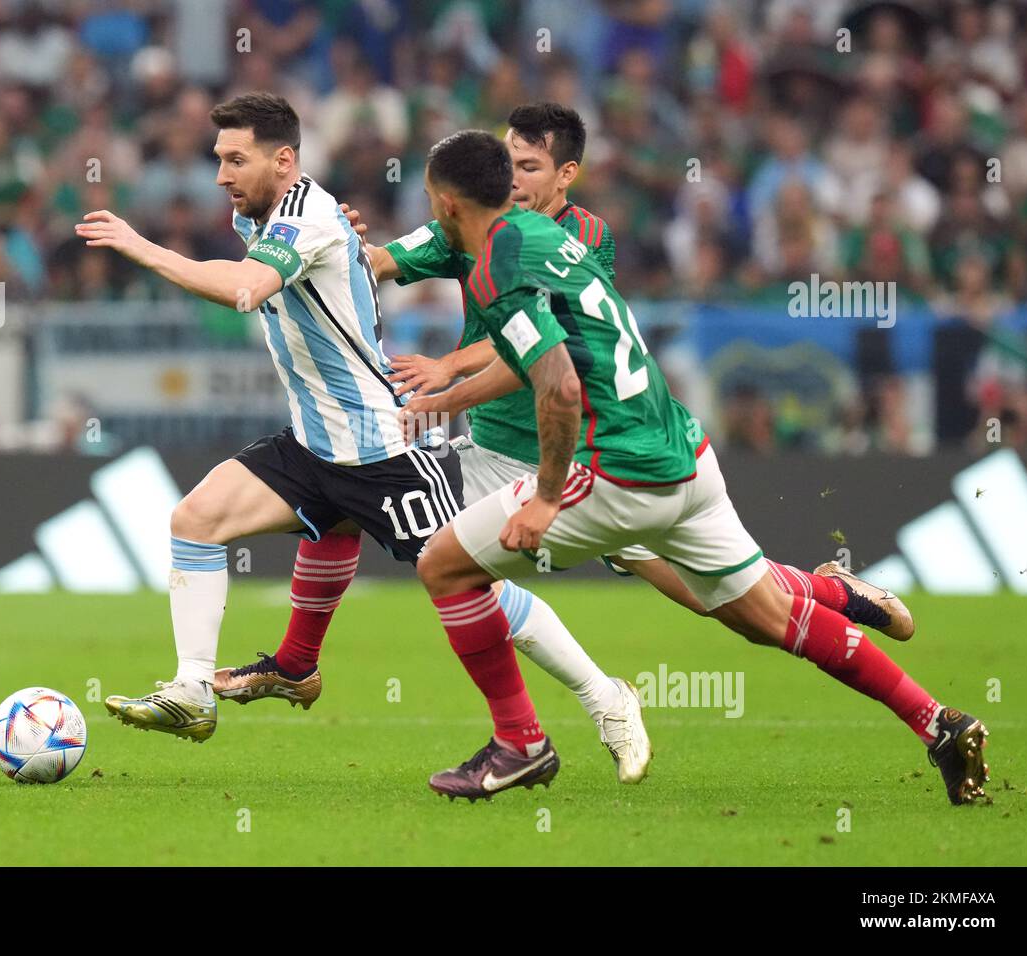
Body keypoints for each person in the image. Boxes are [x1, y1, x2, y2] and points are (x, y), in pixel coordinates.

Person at [75, 94, 646, 781]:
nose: (221, 175)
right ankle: (195, 691)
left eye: (236, 159)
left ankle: (602, 696)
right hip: (314, 444)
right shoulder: (267, 211)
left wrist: (140, 246)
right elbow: (343, 265)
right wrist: (349, 246)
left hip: (381, 451)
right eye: (218, 159)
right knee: (195, 520)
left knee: (470, 582)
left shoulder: (306, 214)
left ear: (284, 161)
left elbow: (248, 288)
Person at [407, 130, 988, 805]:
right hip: (686, 456)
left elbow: (558, 387)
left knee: (443, 565)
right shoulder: (552, 240)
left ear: (446, 205)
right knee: (767, 619)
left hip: (620, 472)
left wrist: (542, 497)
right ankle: (938, 722)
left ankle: (520, 745)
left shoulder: (494, 267)